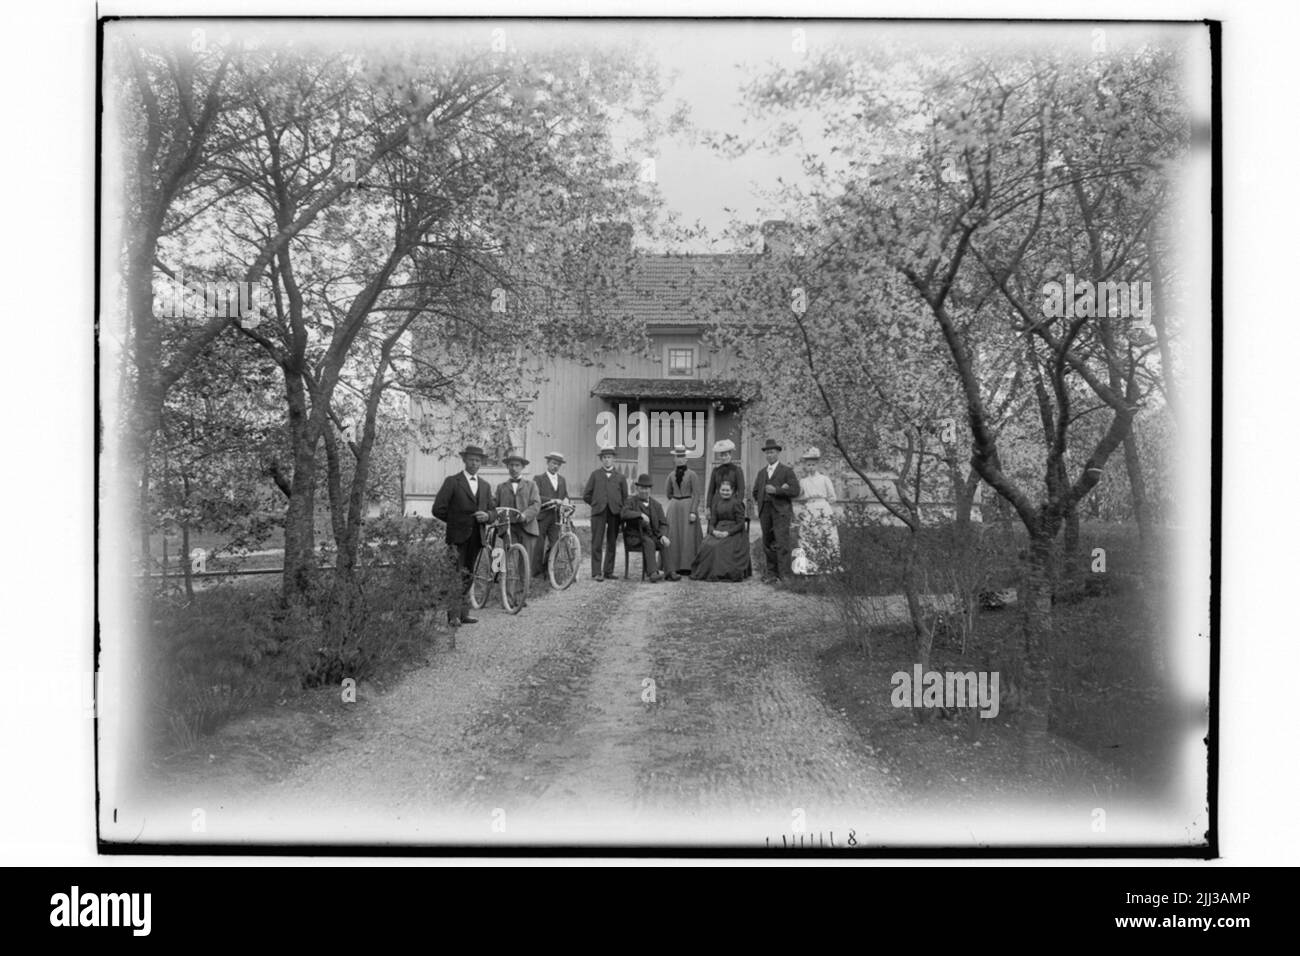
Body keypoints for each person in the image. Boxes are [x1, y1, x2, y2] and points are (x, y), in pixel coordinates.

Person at [431, 444, 495, 626]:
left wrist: (487, 516)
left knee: (469, 575)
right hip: (457, 537)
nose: (474, 463)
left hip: (477, 537)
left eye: (478, 460)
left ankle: (464, 613)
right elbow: (438, 509)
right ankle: (453, 617)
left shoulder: (485, 485)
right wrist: (457, 522)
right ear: (464, 460)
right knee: (455, 574)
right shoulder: (452, 481)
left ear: (481, 462)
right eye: (471, 459)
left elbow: (493, 510)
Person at [752, 438, 800, 582]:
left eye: (772, 452)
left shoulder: (787, 471)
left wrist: (777, 490)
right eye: (767, 453)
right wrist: (760, 503)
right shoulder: (761, 473)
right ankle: (771, 573)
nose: (769, 455)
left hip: (781, 512)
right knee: (768, 542)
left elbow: (795, 490)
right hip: (765, 511)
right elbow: (755, 491)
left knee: (782, 542)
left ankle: (784, 574)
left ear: (778, 453)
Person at [792, 447, 842, 575]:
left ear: (817, 465)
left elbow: (832, 497)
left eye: (813, 465)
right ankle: (810, 567)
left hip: (823, 507)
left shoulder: (824, 479)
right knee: (808, 535)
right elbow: (798, 496)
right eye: (808, 465)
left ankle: (828, 566)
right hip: (809, 508)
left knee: (826, 535)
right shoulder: (803, 481)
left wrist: (824, 506)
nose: (811, 467)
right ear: (805, 466)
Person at [689, 478, 751, 581]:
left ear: (732, 491)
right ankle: (706, 571)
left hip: (734, 532)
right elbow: (712, 522)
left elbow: (740, 524)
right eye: (723, 490)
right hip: (718, 529)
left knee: (718, 546)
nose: (725, 493)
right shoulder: (716, 503)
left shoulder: (737, 503)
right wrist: (713, 531)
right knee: (706, 544)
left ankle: (721, 573)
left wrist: (728, 533)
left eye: (727, 490)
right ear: (719, 490)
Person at [582, 446, 628, 581]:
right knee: (597, 542)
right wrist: (596, 503)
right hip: (598, 512)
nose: (607, 460)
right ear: (601, 460)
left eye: (610, 457)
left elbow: (625, 497)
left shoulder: (620, 477)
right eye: (605, 458)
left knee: (612, 542)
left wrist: (621, 509)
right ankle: (596, 572)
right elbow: (586, 495)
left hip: (615, 512)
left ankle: (608, 571)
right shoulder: (595, 475)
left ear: (614, 459)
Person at [494, 451, 541, 577]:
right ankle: (505, 590)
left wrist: (525, 515)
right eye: (511, 465)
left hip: (527, 528)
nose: (514, 468)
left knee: (525, 562)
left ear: (522, 468)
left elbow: (536, 504)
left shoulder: (531, 485)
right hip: (508, 528)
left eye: (517, 465)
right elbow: (495, 506)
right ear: (507, 467)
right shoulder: (501, 487)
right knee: (506, 559)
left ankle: (522, 592)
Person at [662, 445, 702, 580]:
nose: (680, 460)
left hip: (687, 507)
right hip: (674, 508)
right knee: (673, 536)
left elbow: (696, 494)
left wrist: (693, 511)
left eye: (682, 457)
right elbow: (668, 493)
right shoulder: (671, 475)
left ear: (686, 459)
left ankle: (688, 566)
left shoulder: (692, 475)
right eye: (677, 457)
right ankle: (673, 566)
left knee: (687, 537)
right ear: (674, 459)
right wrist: (675, 502)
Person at [622, 473, 670, 582]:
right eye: (642, 488)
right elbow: (624, 513)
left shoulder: (656, 505)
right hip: (634, 537)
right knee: (649, 542)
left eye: (647, 488)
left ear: (650, 489)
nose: (644, 491)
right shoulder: (630, 501)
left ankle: (670, 572)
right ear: (637, 488)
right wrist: (640, 515)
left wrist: (663, 535)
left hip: (651, 536)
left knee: (663, 542)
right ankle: (652, 573)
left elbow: (664, 523)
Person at [533, 451, 570, 578]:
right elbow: (535, 496)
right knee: (539, 544)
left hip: (556, 517)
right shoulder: (538, 479)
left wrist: (566, 500)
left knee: (556, 543)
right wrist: (551, 500)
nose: (556, 466)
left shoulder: (562, 480)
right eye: (554, 463)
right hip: (542, 515)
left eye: (558, 464)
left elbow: (565, 495)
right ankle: (536, 572)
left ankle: (547, 569)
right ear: (547, 463)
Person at [705, 438, 745, 533]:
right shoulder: (716, 471)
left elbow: (741, 490)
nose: (724, 457)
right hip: (716, 503)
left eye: (726, 455)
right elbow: (711, 491)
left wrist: (737, 505)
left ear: (730, 455)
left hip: (732, 503)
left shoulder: (737, 470)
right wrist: (708, 507)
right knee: (714, 529)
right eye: (722, 455)